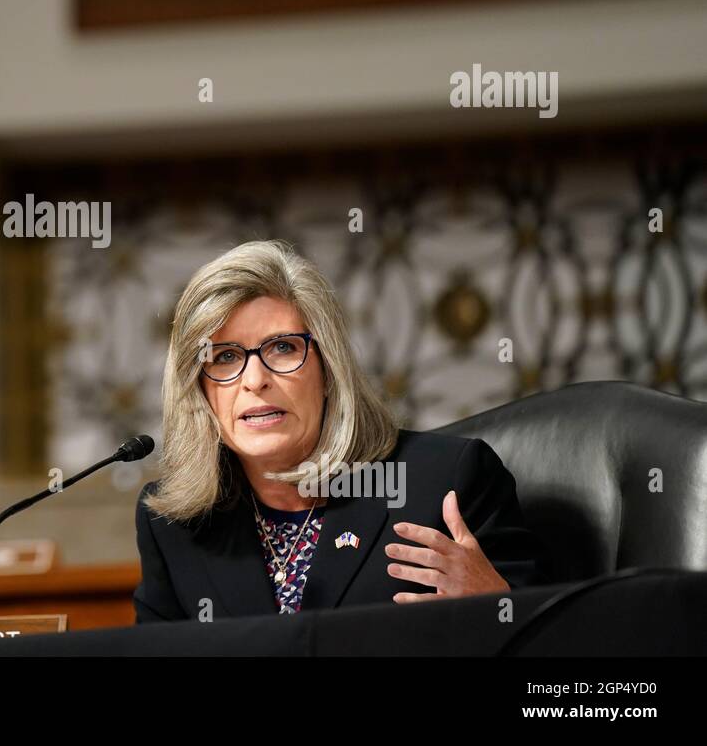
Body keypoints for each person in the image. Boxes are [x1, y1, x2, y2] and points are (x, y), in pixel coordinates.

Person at [133, 239, 545, 622]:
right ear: (199, 388)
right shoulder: (174, 525)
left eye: (283, 347)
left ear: (328, 370)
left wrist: (496, 603)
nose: (254, 380)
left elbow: (549, 645)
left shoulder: (445, 484)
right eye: (224, 356)